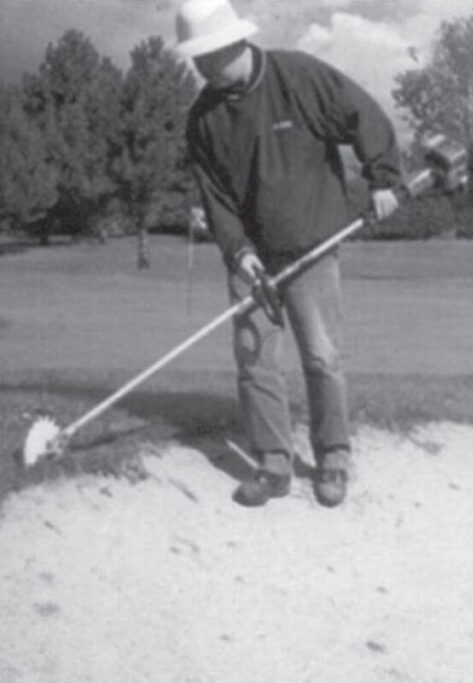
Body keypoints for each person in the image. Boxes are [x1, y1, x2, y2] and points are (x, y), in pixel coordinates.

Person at [175, 0, 401, 507]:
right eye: (193, 58)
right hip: (253, 255)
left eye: (205, 56)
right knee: (255, 358)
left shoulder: (297, 76)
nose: (199, 67)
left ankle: (333, 460)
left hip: (312, 244)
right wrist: (238, 252)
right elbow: (217, 200)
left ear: (231, 44)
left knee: (321, 356)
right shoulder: (203, 119)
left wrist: (383, 176)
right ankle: (274, 464)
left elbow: (362, 113)